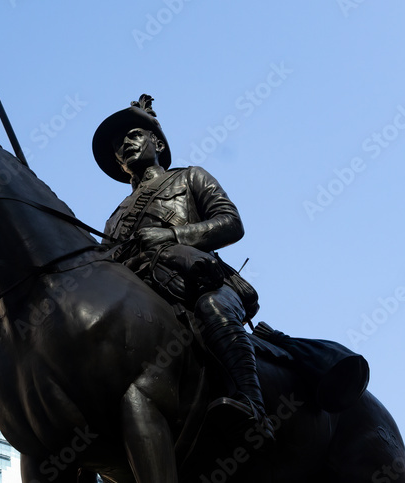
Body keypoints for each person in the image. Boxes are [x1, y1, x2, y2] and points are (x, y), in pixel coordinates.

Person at [92, 94, 271, 437]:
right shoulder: (115, 218)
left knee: (212, 308)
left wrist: (172, 234)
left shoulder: (189, 177)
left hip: (197, 282)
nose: (124, 146)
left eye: (132, 136)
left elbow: (231, 224)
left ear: (156, 142)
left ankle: (252, 404)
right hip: (142, 297)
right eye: (118, 145)